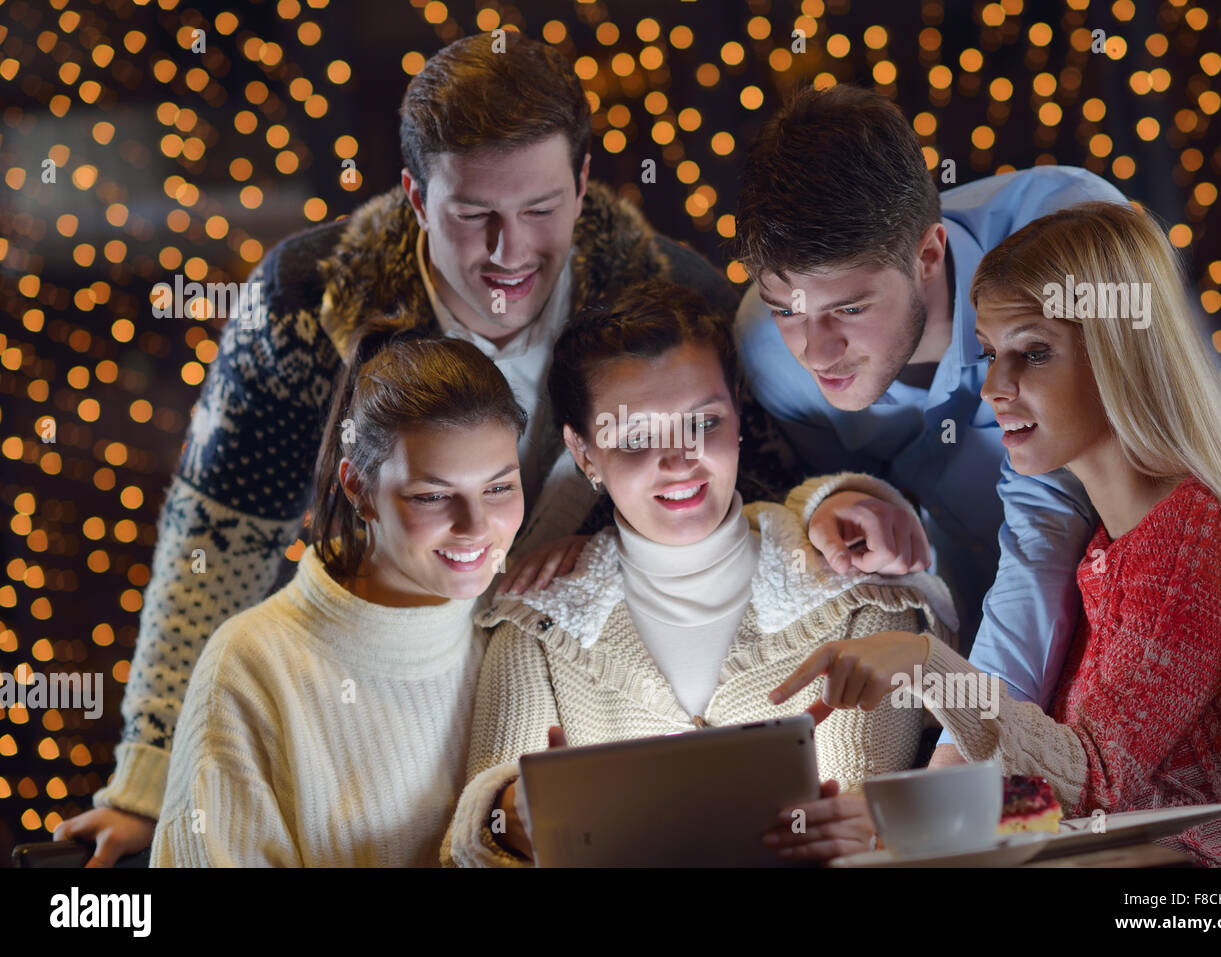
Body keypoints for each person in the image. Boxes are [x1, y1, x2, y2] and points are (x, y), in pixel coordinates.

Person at [61, 30, 795, 865]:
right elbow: (215, 538)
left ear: (583, 185)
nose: (508, 252)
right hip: (371, 696)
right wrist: (150, 783)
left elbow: (761, 496)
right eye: (473, 214)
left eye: (541, 210)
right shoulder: (304, 302)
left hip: (577, 705)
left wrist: (834, 502)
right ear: (415, 194)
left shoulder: (668, 297)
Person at [770, 202, 1221, 867]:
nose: (994, 386)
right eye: (991, 353)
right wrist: (889, 819)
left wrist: (925, 660)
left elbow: (1095, 783)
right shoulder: (1103, 550)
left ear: (1120, 350)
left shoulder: (1191, 535)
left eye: (1033, 351)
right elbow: (1071, 793)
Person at [441, 281, 958, 867]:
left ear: (737, 415)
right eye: (636, 437)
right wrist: (510, 821)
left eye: (703, 423)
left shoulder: (866, 601)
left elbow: (1009, 795)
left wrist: (887, 832)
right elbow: (473, 837)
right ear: (584, 453)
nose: (680, 460)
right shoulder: (540, 624)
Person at [731, 84, 1130, 769]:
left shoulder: (1070, 237)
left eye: (849, 309)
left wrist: (956, 775)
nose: (815, 352)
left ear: (928, 255)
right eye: (787, 309)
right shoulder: (769, 353)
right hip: (946, 657)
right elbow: (860, 510)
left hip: (1128, 638)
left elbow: (1046, 534)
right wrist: (842, 499)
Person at [151, 318, 528, 865]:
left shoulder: (525, 616)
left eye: (498, 487)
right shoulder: (253, 663)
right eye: (432, 496)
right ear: (360, 489)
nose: (475, 526)